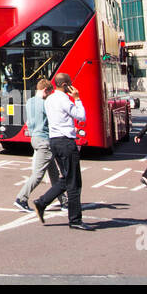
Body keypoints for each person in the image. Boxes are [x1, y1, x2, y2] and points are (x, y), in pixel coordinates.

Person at [33, 72, 90, 229]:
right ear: (65, 85)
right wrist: (77, 98)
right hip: (66, 142)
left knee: (66, 177)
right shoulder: (65, 99)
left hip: (55, 141)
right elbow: (81, 116)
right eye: (70, 83)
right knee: (74, 183)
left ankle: (42, 202)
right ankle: (75, 220)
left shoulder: (49, 99)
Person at [14, 79, 66, 211]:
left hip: (35, 138)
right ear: (45, 90)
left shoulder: (30, 101)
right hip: (44, 140)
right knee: (38, 174)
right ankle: (21, 198)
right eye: (49, 92)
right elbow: (53, 120)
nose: (49, 95)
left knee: (54, 173)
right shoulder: (45, 104)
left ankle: (64, 201)